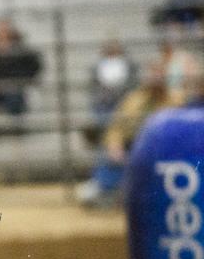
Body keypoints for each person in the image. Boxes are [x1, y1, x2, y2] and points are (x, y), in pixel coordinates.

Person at [77, 62, 185, 207]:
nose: (155, 79)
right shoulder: (134, 99)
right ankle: (104, 190)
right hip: (133, 144)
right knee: (108, 155)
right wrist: (114, 145)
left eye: (159, 76)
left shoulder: (176, 100)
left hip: (163, 148)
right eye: (153, 75)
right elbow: (116, 126)